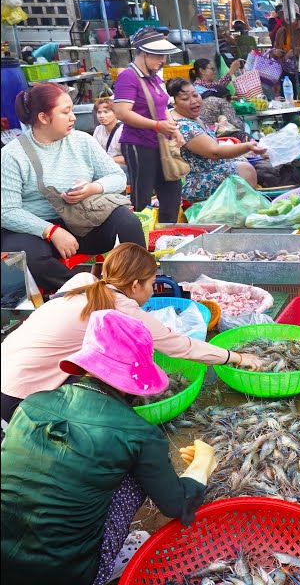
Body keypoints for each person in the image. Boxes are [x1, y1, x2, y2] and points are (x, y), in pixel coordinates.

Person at [1, 310, 218, 583]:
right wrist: (203, 464)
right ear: (135, 378)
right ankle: (106, 565)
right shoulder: (139, 433)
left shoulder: (31, 403)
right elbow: (177, 506)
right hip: (70, 575)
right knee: (135, 478)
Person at [0, 243, 261, 421]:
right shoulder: (121, 308)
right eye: (150, 284)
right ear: (135, 285)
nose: (151, 290)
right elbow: (179, 346)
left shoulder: (83, 282)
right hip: (19, 397)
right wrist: (235, 357)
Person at [1, 83, 142, 293]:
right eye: (65, 112)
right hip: (35, 230)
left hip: (81, 220)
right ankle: (91, 291)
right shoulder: (12, 155)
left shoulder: (82, 141)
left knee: (127, 220)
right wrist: (51, 231)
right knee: (24, 255)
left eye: (72, 111)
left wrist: (93, 188)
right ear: (43, 118)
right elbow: (7, 211)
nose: (73, 117)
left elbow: (117, 177)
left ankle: (138, 284)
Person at [112, 28, 184, 223]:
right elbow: (122, 113)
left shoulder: (154, 77)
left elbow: (162, 107)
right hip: (138, 144)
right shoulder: (128, 77)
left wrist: (174, 129)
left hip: (161, 143)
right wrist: (157, 125)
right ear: (144, 53)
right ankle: (140, 239)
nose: (163, 60)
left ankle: (166, 235)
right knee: (141, 195)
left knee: (172, 191)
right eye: (159, 55)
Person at [168, 78, 264, 201]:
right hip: (194, 182)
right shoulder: (183, 126)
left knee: (243, 161)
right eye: (185, 99)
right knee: (245, 170)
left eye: (195, 95)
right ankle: (240, 212)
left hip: (209, 170)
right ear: (174, 103)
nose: (193, 101)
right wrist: (248, 146)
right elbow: (215, 152)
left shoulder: (194, 117)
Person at [91, 96, 125, 166]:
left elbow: (129, 157)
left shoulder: (123, 130)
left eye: (106, 112)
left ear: (115, 113)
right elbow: (94, 152)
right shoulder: (98, 129)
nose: (101, 116)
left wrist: (107, 160)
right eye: (99, 112)